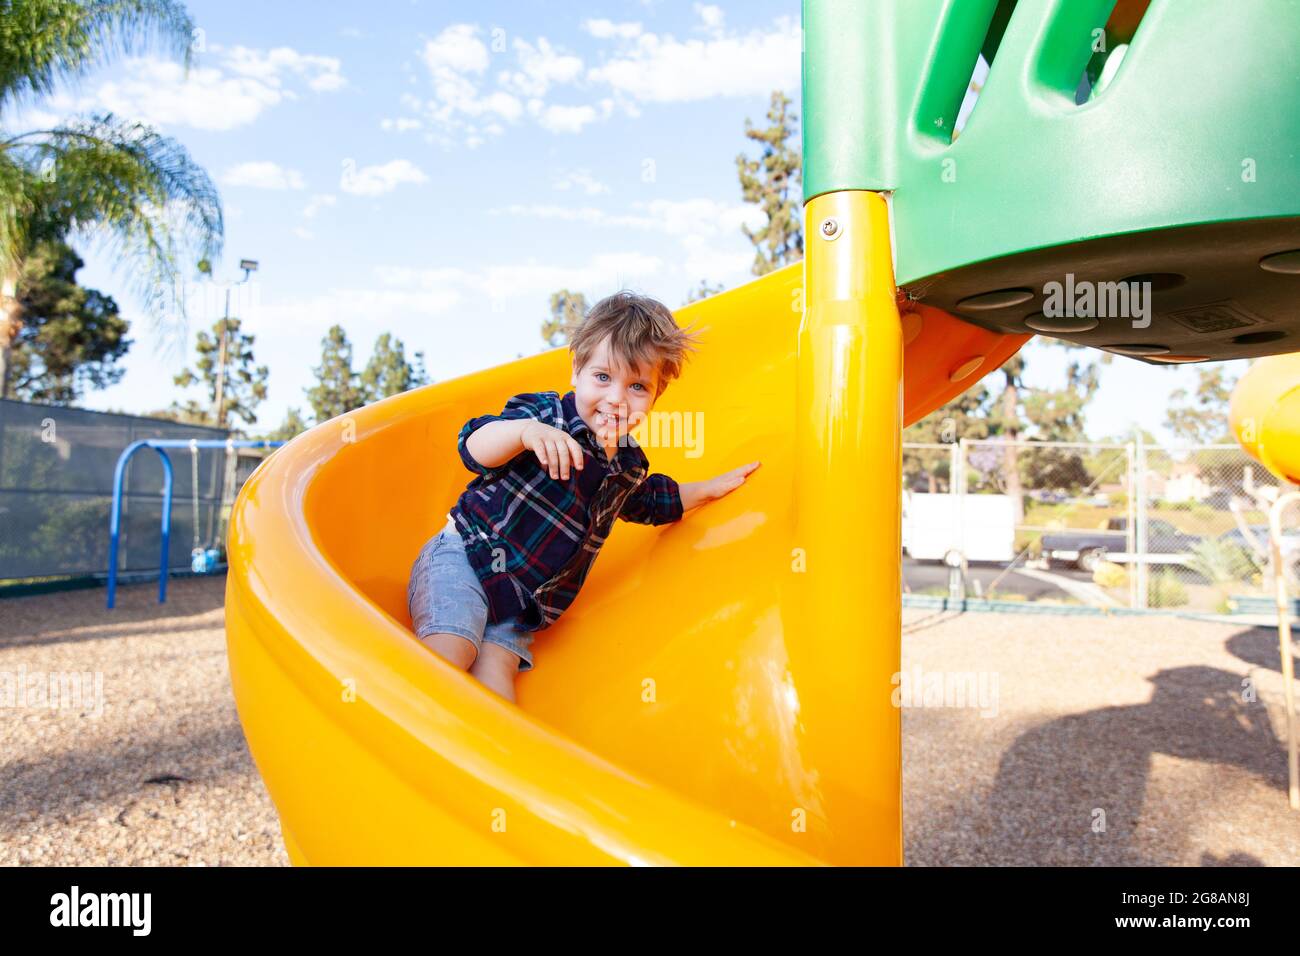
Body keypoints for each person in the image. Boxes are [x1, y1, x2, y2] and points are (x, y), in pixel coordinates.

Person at [407, 290, 761, 702]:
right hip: (464, 556)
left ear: (656, 395)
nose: (616, 398)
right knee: (454, 649)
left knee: (496, 682)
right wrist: (525, 433)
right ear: (576, 368)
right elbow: (472, 445)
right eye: (603, 377)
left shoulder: (626, 466)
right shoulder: (545, 417)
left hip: (521, 602)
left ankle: (480, 759)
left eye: (637, 387)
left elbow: (651, 502)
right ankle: (405, 721)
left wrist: (711, 489)